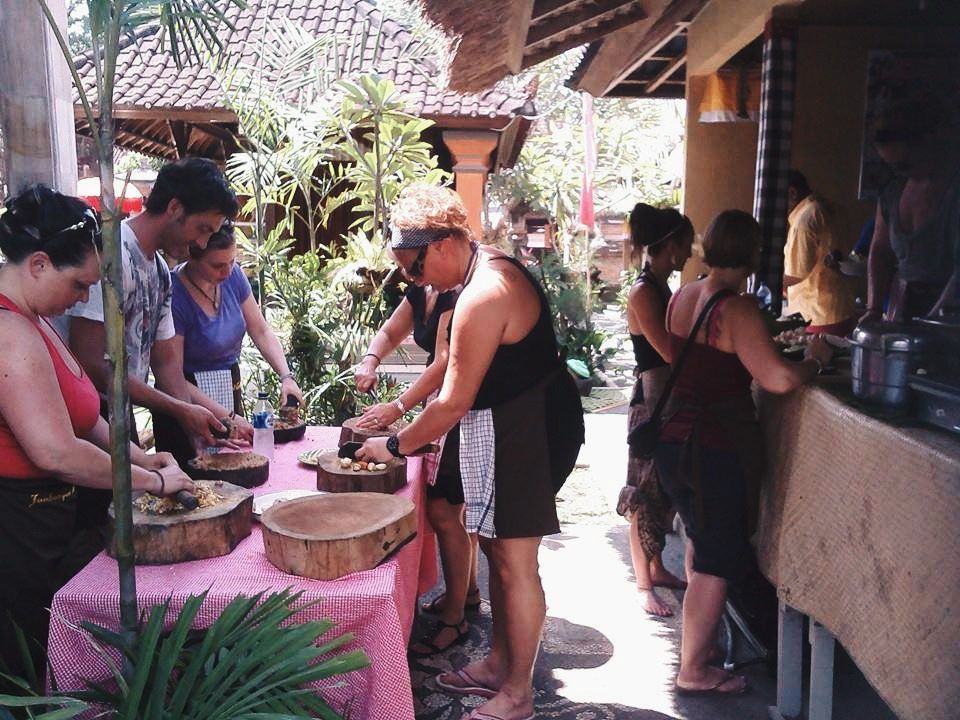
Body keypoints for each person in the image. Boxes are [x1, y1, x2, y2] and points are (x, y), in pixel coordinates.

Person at [356, 184, 584, 720]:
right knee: (497, 553)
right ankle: (500, 663)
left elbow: (452, 401)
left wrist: (394, 444)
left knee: (515, 562)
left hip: (528, 429)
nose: (415, 283)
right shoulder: (476, 270)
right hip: (507, 422)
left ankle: (518, 695)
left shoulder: (484, 293)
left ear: (440, 245)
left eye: (413, 269)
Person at [0, 185, 195, 680]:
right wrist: (149, 482)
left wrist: (141, 458)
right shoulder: (10, 333)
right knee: (24, 669)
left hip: (50, 521)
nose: (84, 298)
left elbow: (86, 420)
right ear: (39, 264)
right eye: (79, 284)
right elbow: (56, 452)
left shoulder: (35, 320)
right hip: (18, 529)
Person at [654, 210, 832, 696]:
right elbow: (778, 378)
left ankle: (703, 646)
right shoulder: (736, 310)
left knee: (701, 540)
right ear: (753, 254)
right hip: (712, 445)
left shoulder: (683, 295)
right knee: (717, 557)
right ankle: (694, 670)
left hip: (674, 438)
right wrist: (814, 363)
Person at [67, 158, 238, 532]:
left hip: (121, 413)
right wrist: (178, 408)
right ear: (174, 207)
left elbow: (167, 365)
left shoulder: (161, 271)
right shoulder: (111, 254)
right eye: (202, 229)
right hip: (84, 419)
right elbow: (91, 361)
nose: (202, 243)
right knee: (98, 536)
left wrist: (192, 423)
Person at [354, 280, 481, 656]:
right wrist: (370, 360)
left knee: (445, 512)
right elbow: (390, 331)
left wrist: (396, 408)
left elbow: (443, 364)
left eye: (410, 261)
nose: (405, 270)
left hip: (457, 406)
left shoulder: (455, 292)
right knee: (452, 510)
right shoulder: (421, 292)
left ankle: (455, 619)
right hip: (438, 404)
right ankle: (466, 593)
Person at [152, 221, 303, 465]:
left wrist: (286, 376)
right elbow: (172, 374)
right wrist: (227, 416)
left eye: (232, 262)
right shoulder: (174, 293)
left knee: (236, 469)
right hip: (186, 401)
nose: (227, 271)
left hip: (228, 391)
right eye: (217, 265)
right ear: (193, 257)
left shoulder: (234, 277)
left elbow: (261, 330)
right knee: (198, 473)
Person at [617, 203, 692, 616]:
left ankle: (657, 567)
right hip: (651, 398)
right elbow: (667, 352)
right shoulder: (644, 292)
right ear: (671, 246)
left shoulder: (661, 286)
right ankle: (644, 586)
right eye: (686, 243)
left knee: (662, 488)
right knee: (643, 492)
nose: (690, 251)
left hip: (664, 395)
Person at [863, 88, 960, 323]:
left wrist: (931, 323)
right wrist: (874, 308)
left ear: (928, 143)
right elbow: (880, 250)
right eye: (892, 166)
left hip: (950, 315)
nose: (899, 172)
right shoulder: (893, 190)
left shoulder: (954, 190)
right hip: (903, 307)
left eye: (905, 164)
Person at [783, 171, 856, 335]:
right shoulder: (830, 208)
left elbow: (796, 275)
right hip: (842, 307)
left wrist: (767, 285)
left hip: (818, 314)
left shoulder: (804, 221)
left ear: (792, 193)